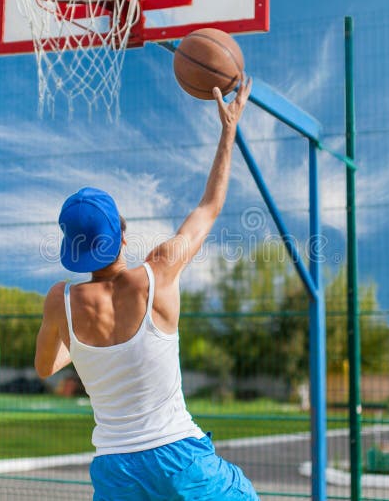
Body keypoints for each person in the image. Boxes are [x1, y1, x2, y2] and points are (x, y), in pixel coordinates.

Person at [35, 77, 256, 500]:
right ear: (122, 235)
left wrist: (81, 344)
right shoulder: (159, 272)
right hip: (179, 459)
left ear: (72, 251)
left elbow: (46, 366)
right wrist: (228, 130)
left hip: (115, 470)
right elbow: (209, 207)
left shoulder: (60, 302)